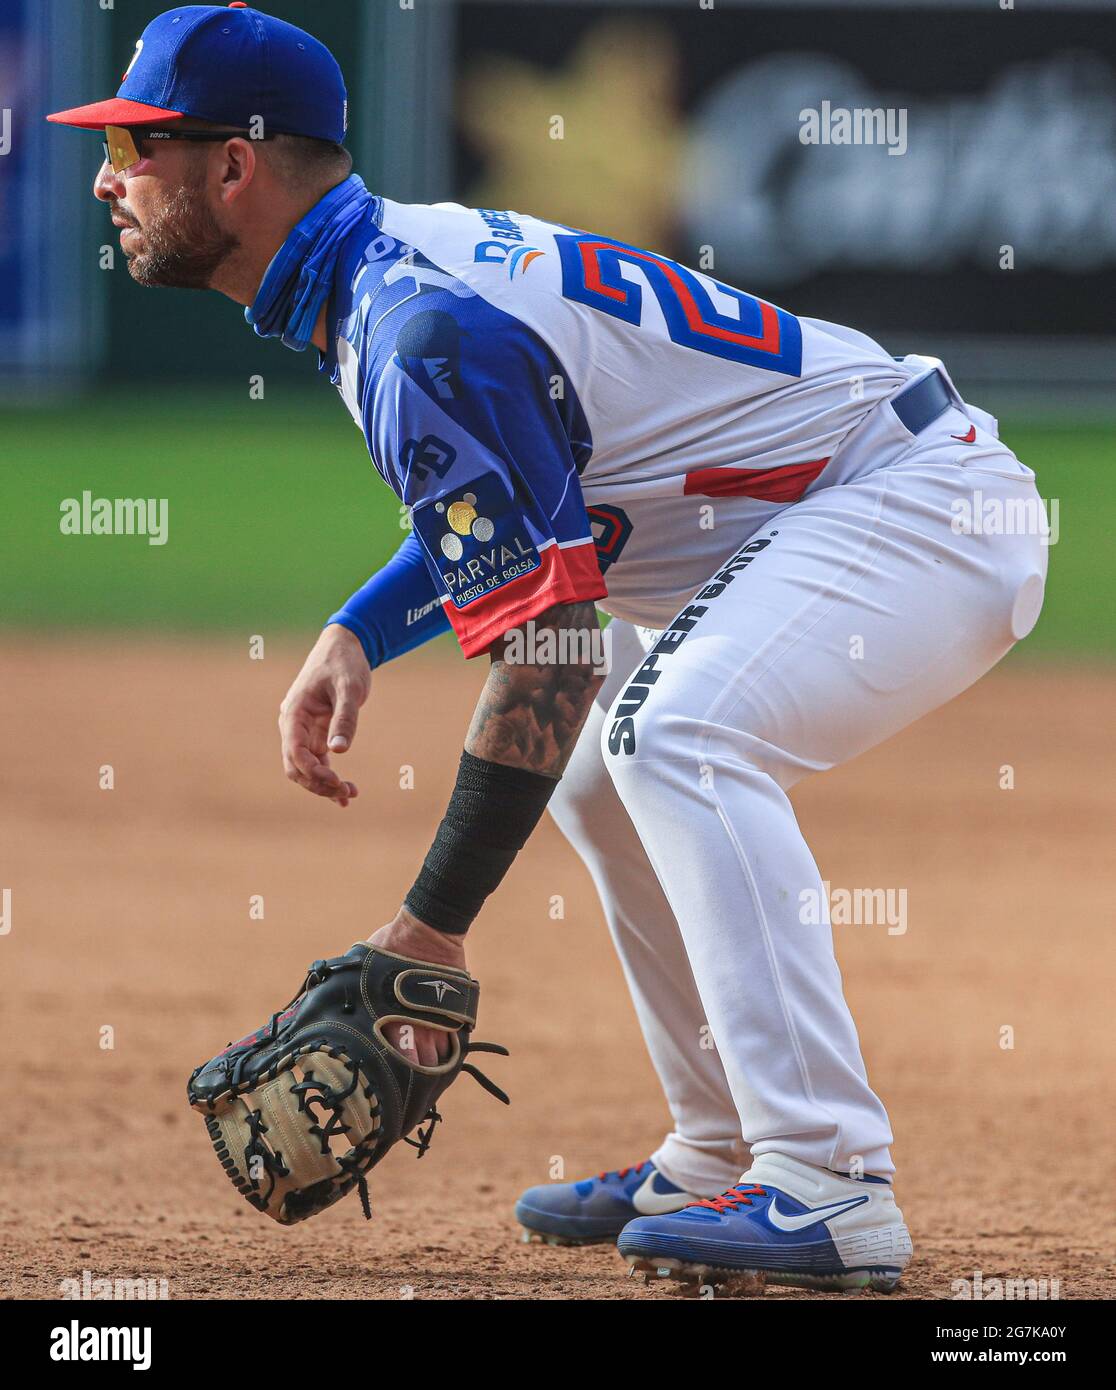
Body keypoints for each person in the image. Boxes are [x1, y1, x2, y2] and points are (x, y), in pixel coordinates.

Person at [49, 5, 1048, 1291]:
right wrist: (364, 627)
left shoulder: (412, 329)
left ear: (233, 166)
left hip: (916, 500)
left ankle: (831, 1179)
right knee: (598, 769)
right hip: (842, 504)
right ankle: (720, 1145)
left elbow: (561, 644)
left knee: (671, 732)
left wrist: (429, 930)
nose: (107, 174)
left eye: (134, 143)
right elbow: (542, 510)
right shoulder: (391, 285)